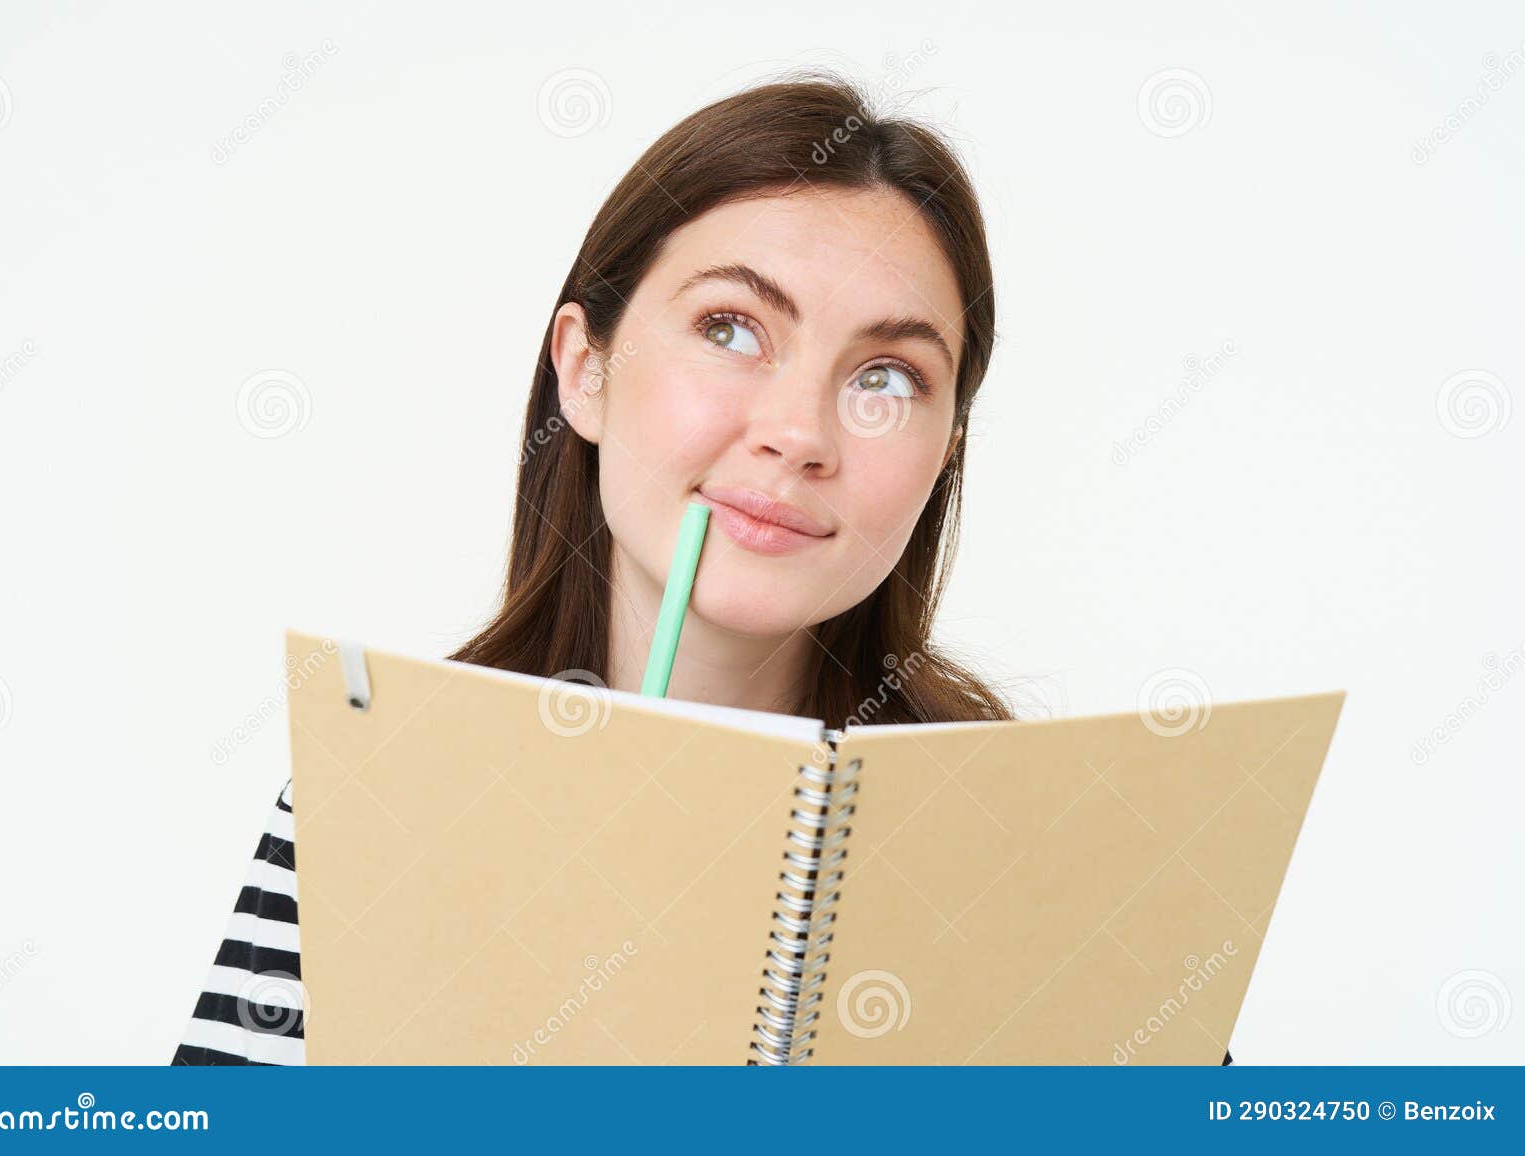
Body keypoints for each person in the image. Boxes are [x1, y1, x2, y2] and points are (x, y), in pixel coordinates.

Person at [174, 67, 1046, 1065]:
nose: (799, 433)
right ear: (584, 370)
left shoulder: (1027, 839)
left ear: (945, 452)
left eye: (888, 377)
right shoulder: (379, 793)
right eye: (730, 328)